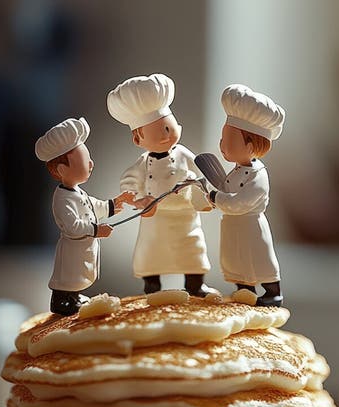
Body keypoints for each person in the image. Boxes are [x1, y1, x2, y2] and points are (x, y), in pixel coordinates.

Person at [107, 73, 213, 297]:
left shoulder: (184, 154)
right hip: (156, 216)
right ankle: (152, 286)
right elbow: (129, 181)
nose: (166, 135)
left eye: (169, 128)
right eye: (159, 130)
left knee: (191, 249)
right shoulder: (143, 164)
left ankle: (195, 285)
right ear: (138, 140)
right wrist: (137, 199)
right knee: (152, 253)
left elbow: (204, 171)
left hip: (185, 216)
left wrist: (201, 187)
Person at [35, 117, 134, 316]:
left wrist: (114, 204)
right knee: (68, 277)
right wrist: (96, 230)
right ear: (63, 170)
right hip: (73, 249)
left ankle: (74, 296)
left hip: (84, 248)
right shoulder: (62, 198)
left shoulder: (78, 192)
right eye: (84, 160)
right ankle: (62, 301)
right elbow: (72, 225)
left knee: (78, 276)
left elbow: (92, 206)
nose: (91, 164)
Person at [207, 84, 285, 306]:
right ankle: (245, 292)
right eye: (222, 140)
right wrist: (210, 194)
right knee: (237, 262)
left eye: (229, 142)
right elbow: (227, 189)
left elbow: (240, 202)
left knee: (259, 261)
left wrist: (216, 198)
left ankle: (272, 293)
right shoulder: (237, 170)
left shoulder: (259, 176)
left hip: (250, 226)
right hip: (233, 226)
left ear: (251, 147)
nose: (222, 147)